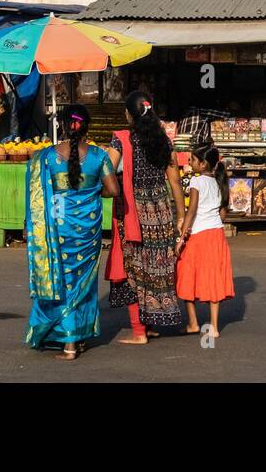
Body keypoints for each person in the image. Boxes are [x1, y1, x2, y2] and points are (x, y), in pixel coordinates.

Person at [24, 104, 120, 360]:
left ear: (63, 126)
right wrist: (91, 192)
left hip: (57, 227)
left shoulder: (46, 158)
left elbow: (38, 198)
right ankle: (75, 337)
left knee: (60, 279)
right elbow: (114, 190)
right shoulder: (99, 157)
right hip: (88, 231)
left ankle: (67, 342)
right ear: (87, 126)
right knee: (82, 284)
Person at [105, 89, 186, 344]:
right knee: (156, 267)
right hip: (161, 210)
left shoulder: (122, 139)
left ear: (129, 114)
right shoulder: (164, 141)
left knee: (133, 268)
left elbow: (106, 170)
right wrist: (181, 215)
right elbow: (175, 182)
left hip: (132, 210)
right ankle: (151, 325)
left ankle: (139, 332)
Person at [176, 142, 235, 337]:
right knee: (213, 278)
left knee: (186, 274)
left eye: (192, 159)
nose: (189, 162)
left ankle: (193, 323)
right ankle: (214, 327)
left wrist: (181, 237)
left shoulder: (197, 181)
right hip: (216, 235)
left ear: (202, 164)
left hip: (199, 235)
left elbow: (191, 211)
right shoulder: (219, 182)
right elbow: (223, 214)